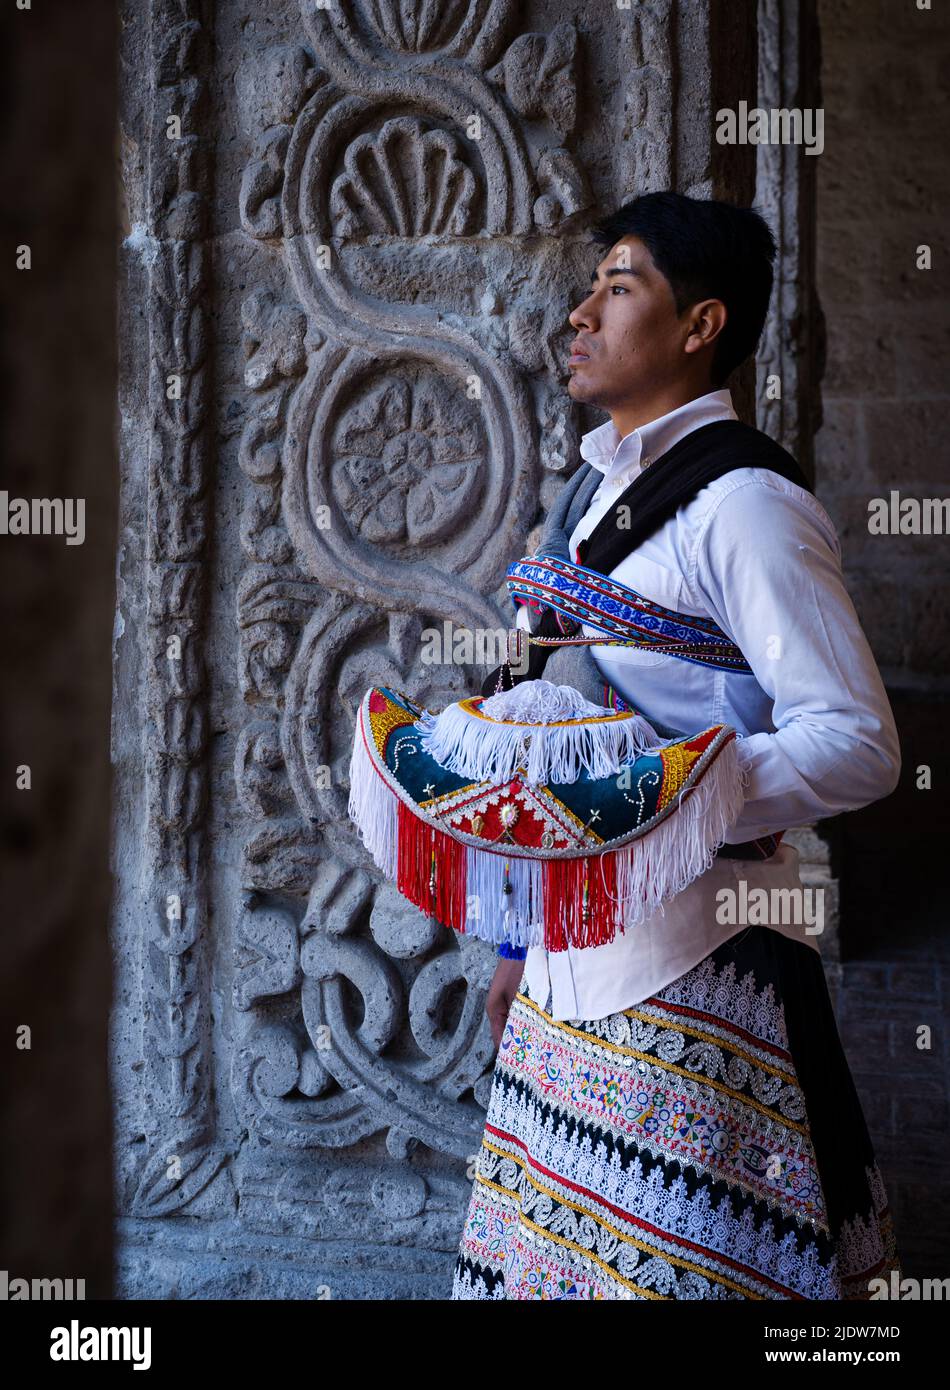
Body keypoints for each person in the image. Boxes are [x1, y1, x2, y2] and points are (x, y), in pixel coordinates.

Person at [450, 190, 902, 1301]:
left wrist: (667, 797)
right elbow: (553, 721)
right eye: (589, 288)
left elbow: (855, 742)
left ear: (699, 327)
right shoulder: (588, 495)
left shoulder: (745, 507)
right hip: (572, 958)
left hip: (697, 966)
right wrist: (518, 938)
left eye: (618, 286)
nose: (579, 315)